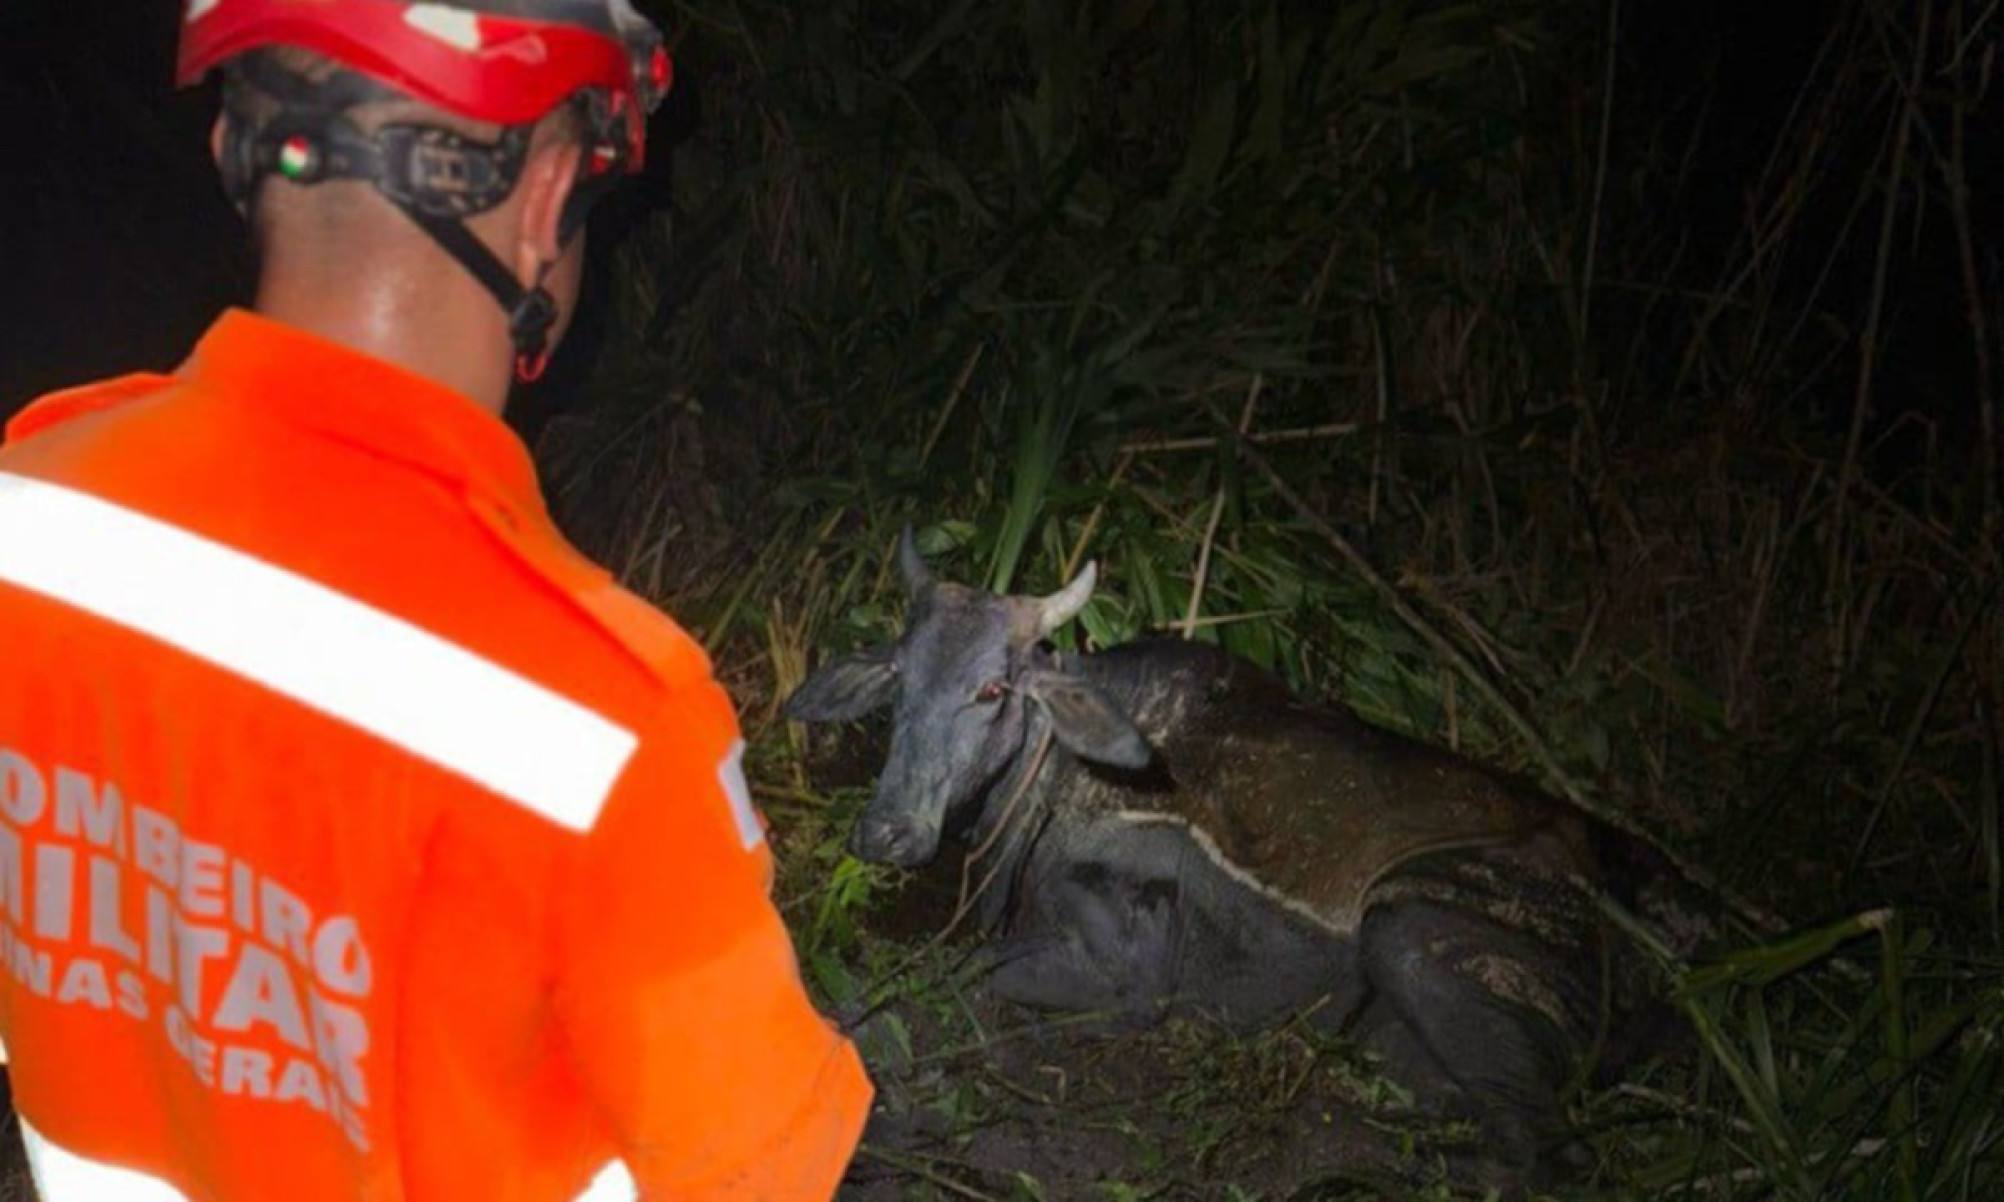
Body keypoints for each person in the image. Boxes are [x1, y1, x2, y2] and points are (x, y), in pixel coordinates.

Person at [0, 1, 871, 1198]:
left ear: (230, 159)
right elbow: (756, 1170)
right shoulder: (607, 724)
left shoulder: (29, 513)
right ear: (549, 198)